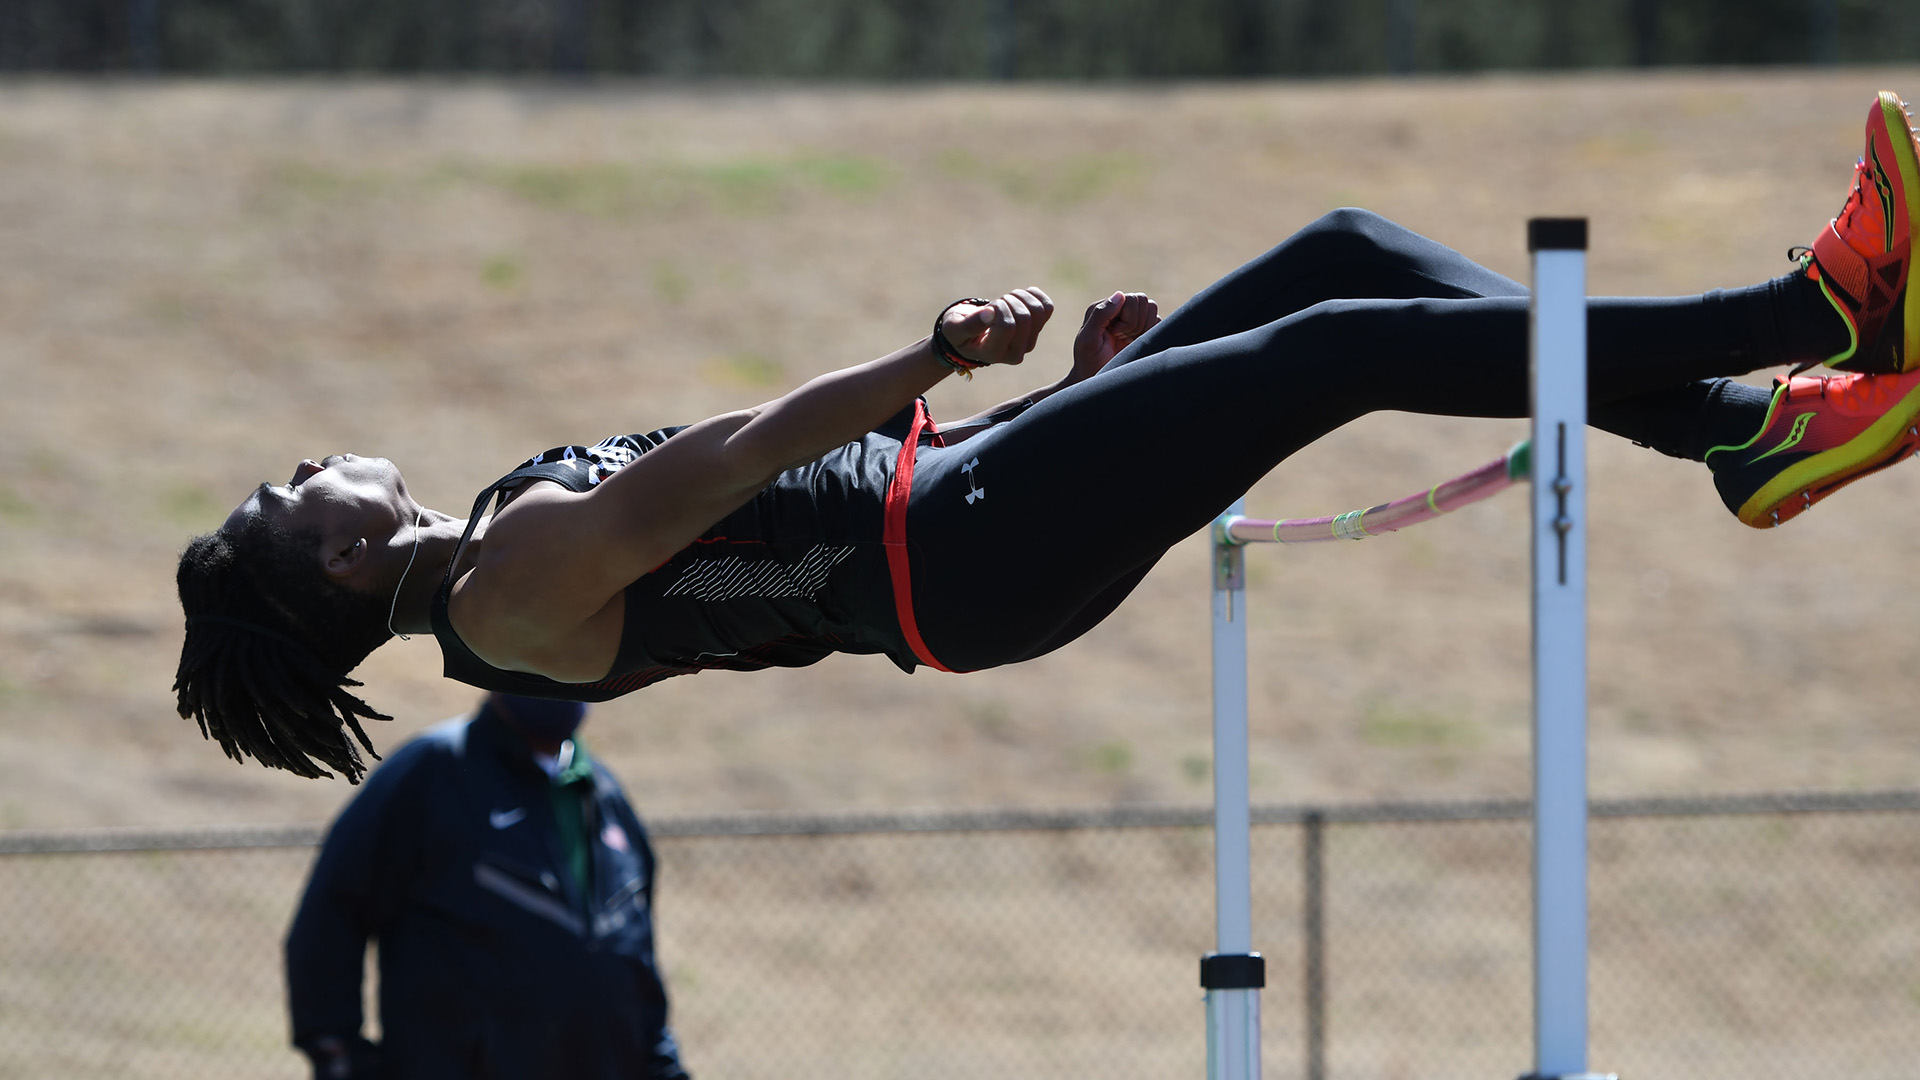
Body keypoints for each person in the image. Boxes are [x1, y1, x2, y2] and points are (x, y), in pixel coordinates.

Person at [179, 92, 1919, 783]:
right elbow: (741, 460)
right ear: (336, 557)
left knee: (1347, 260)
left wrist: (1071, 403)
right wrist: (931, 354)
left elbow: (803, 502)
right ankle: (1812, 321)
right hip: (965, 553)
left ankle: (1749, 437)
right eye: (282, 498)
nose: (302, 462)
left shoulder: (496, 539)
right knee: (1343, 346)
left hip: (968, 508)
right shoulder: (504, 589)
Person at [284, 693, 690, 1079]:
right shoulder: (434, 770)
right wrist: (341, 1059)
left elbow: (636, 963)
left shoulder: (603, 792)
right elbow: (330, 917)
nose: (559, 675)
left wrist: (662, 1066)